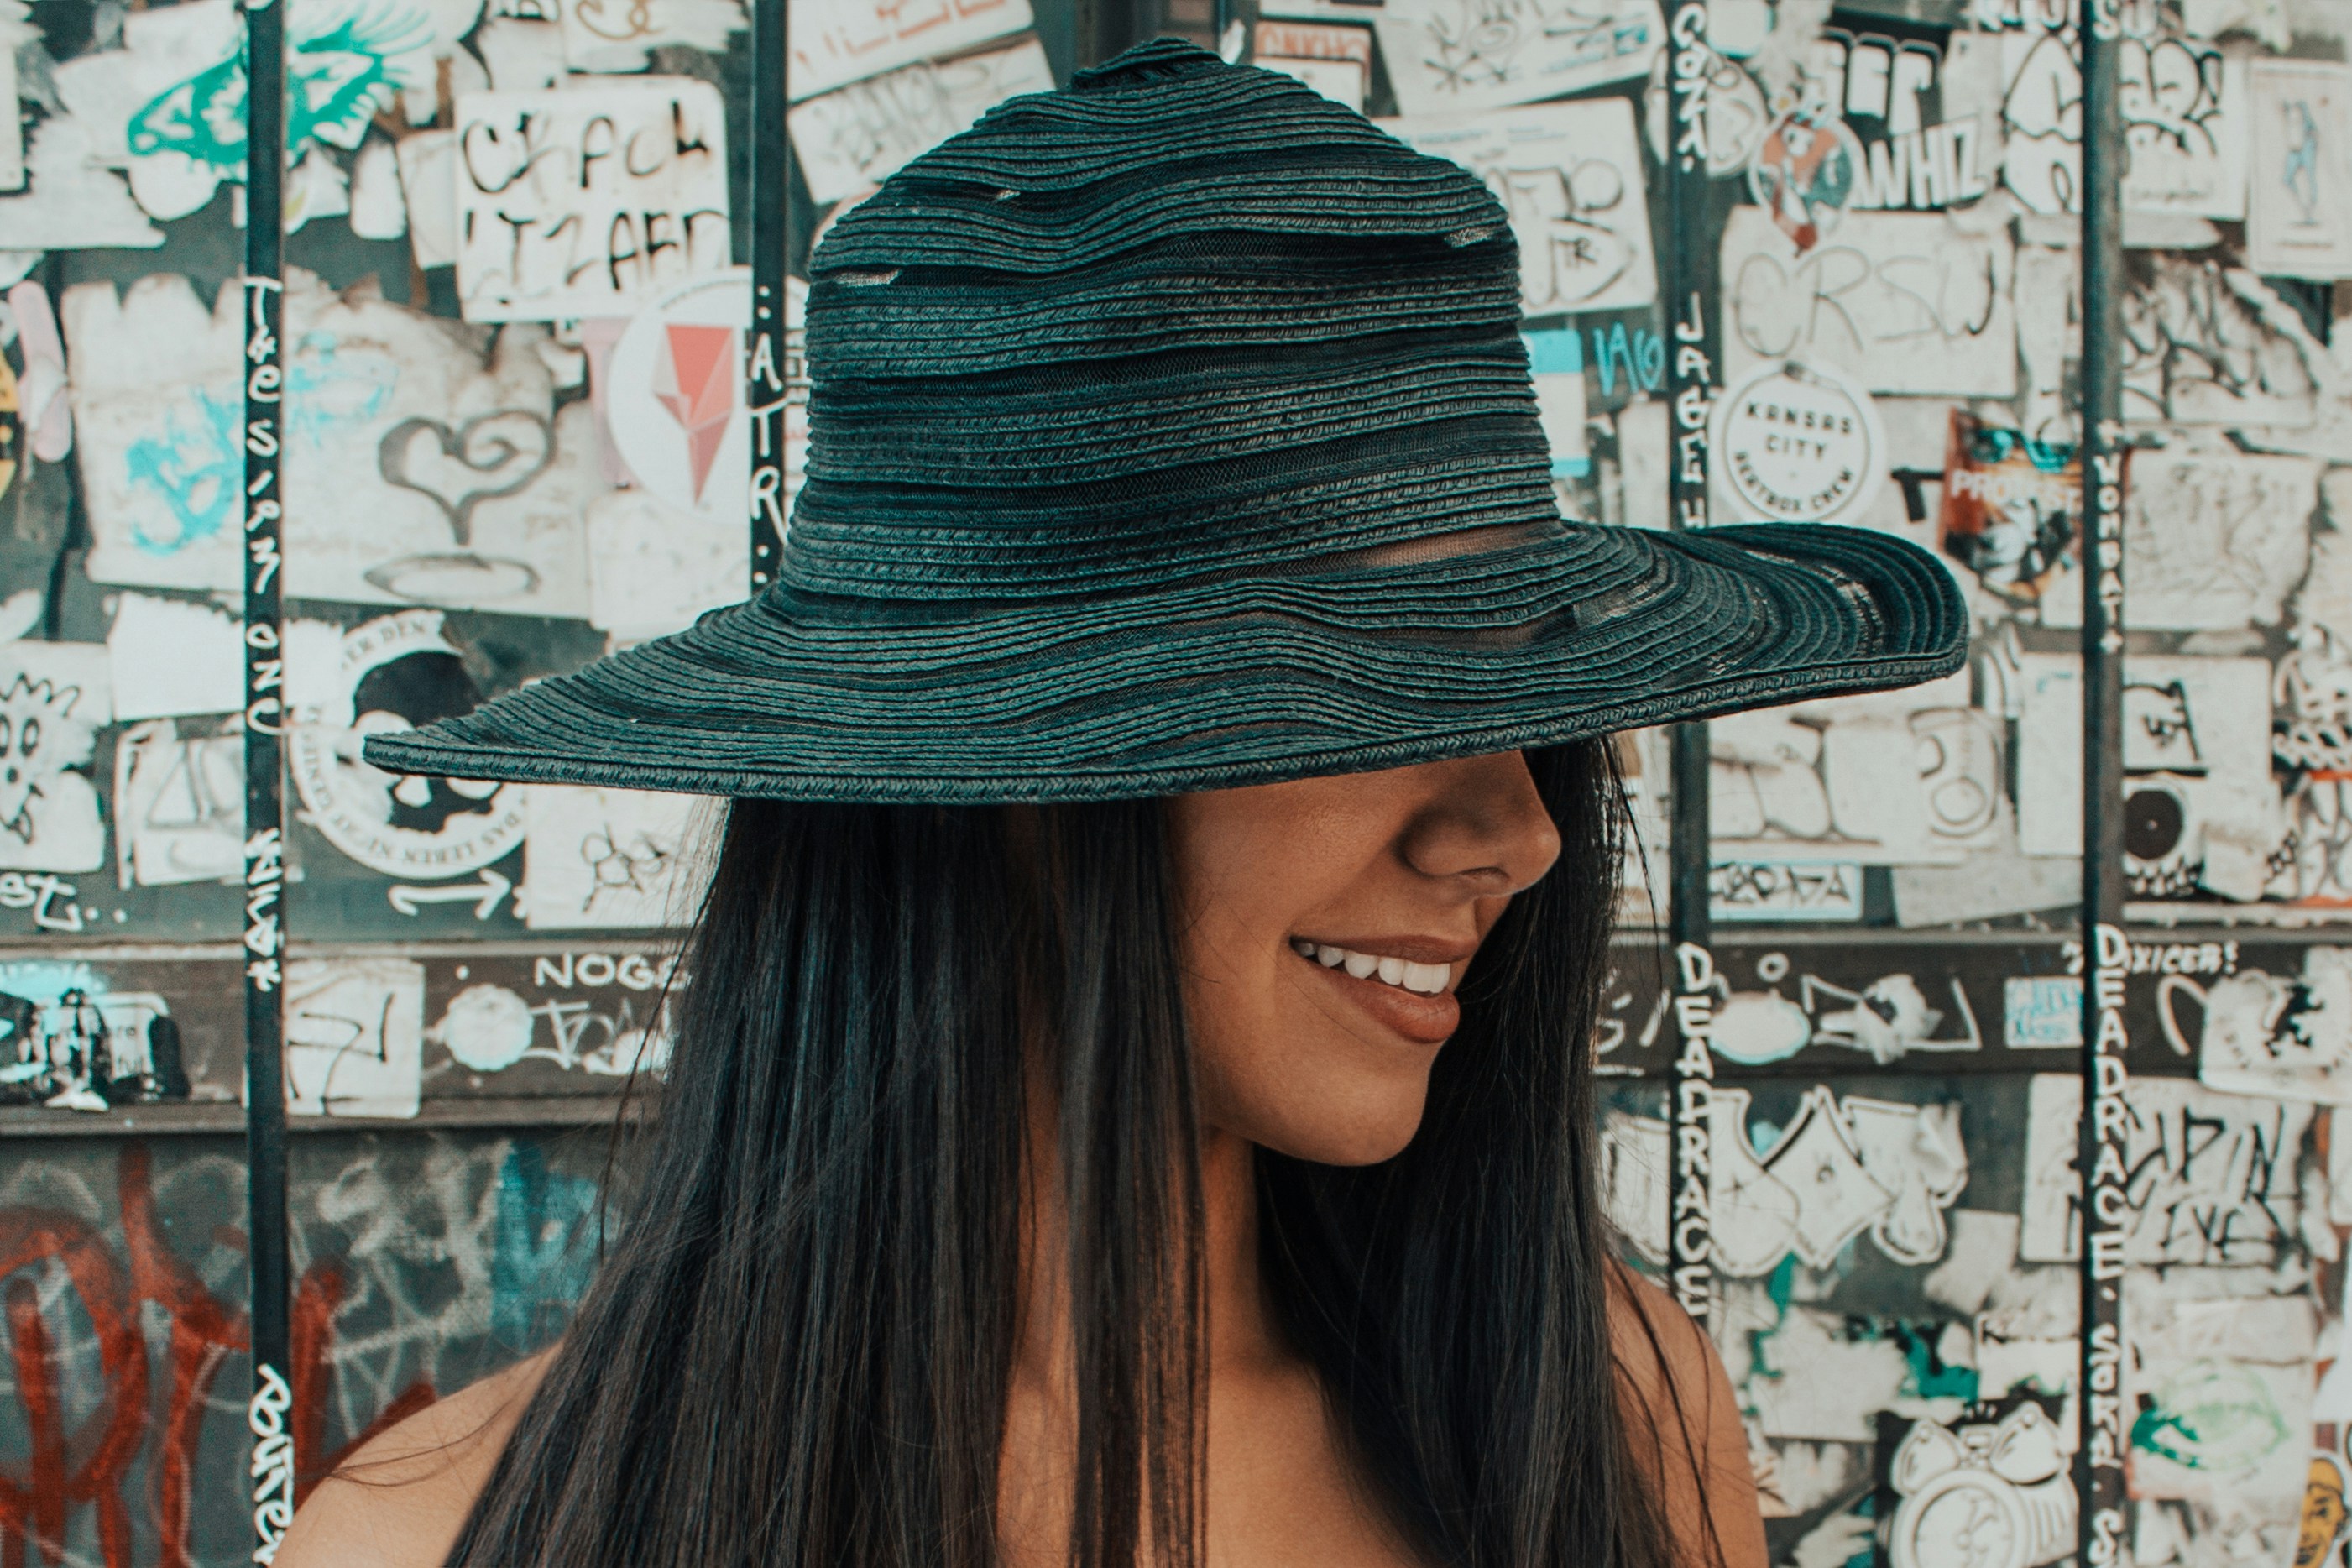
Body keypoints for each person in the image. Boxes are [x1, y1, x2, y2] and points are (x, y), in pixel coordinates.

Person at [281, 39, 1966, 1568]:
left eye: (1526, 696)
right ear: (999, 773)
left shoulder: (1601, 1414)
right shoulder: (440, 1542)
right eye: (1372, 693)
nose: (1518, 835)